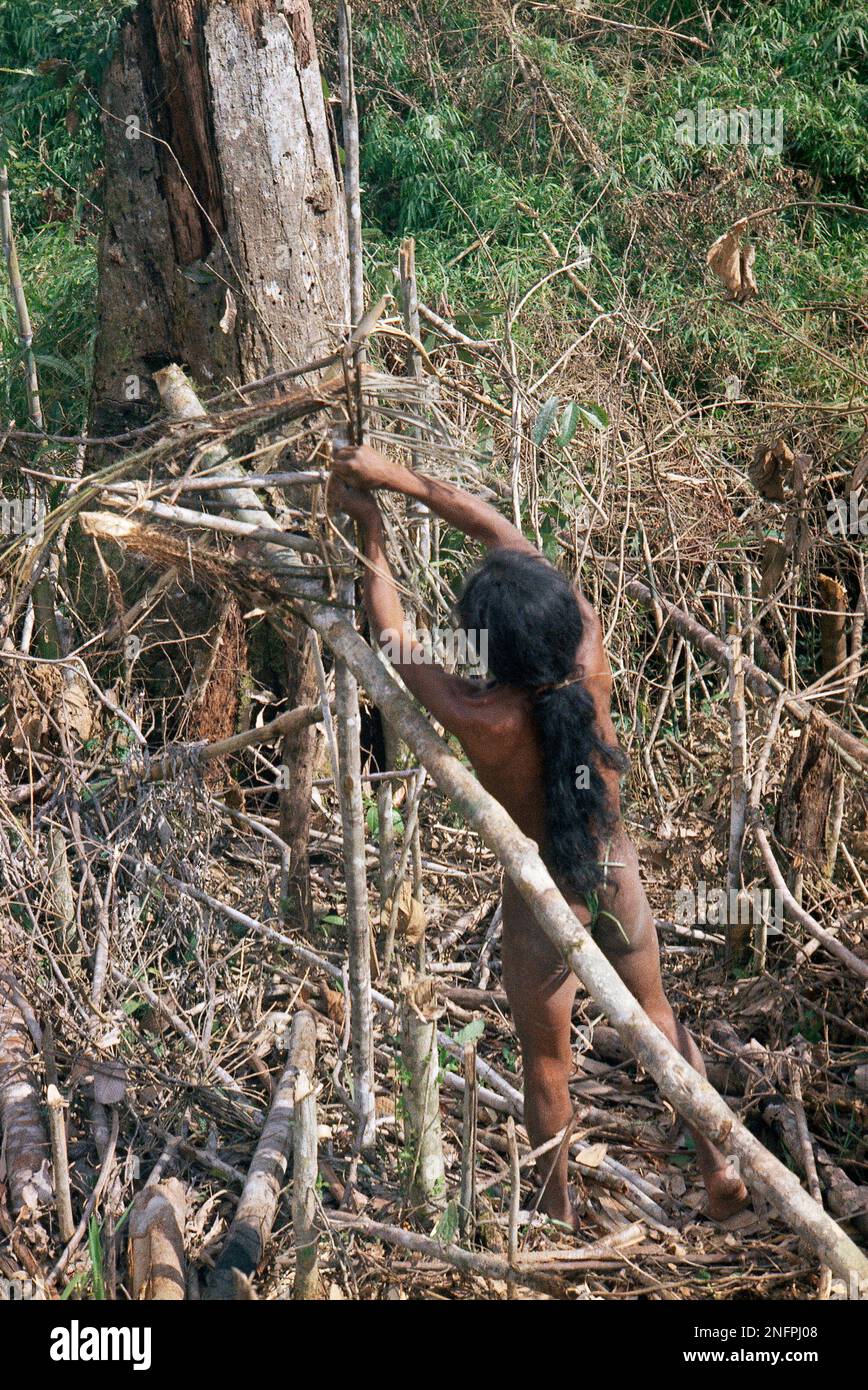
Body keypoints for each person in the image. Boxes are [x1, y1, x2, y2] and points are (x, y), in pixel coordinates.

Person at [329, 444, 749, 1227]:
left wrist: (374, 536)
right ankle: (720, 1162)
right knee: (657, 1017)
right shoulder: (586, 646)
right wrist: (393, 474)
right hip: (611, 866)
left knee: (547, 1062)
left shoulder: (481, 717)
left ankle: (555, 1209)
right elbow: (493, 526)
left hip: (541, 894)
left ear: (493, 648)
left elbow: (388, 636)